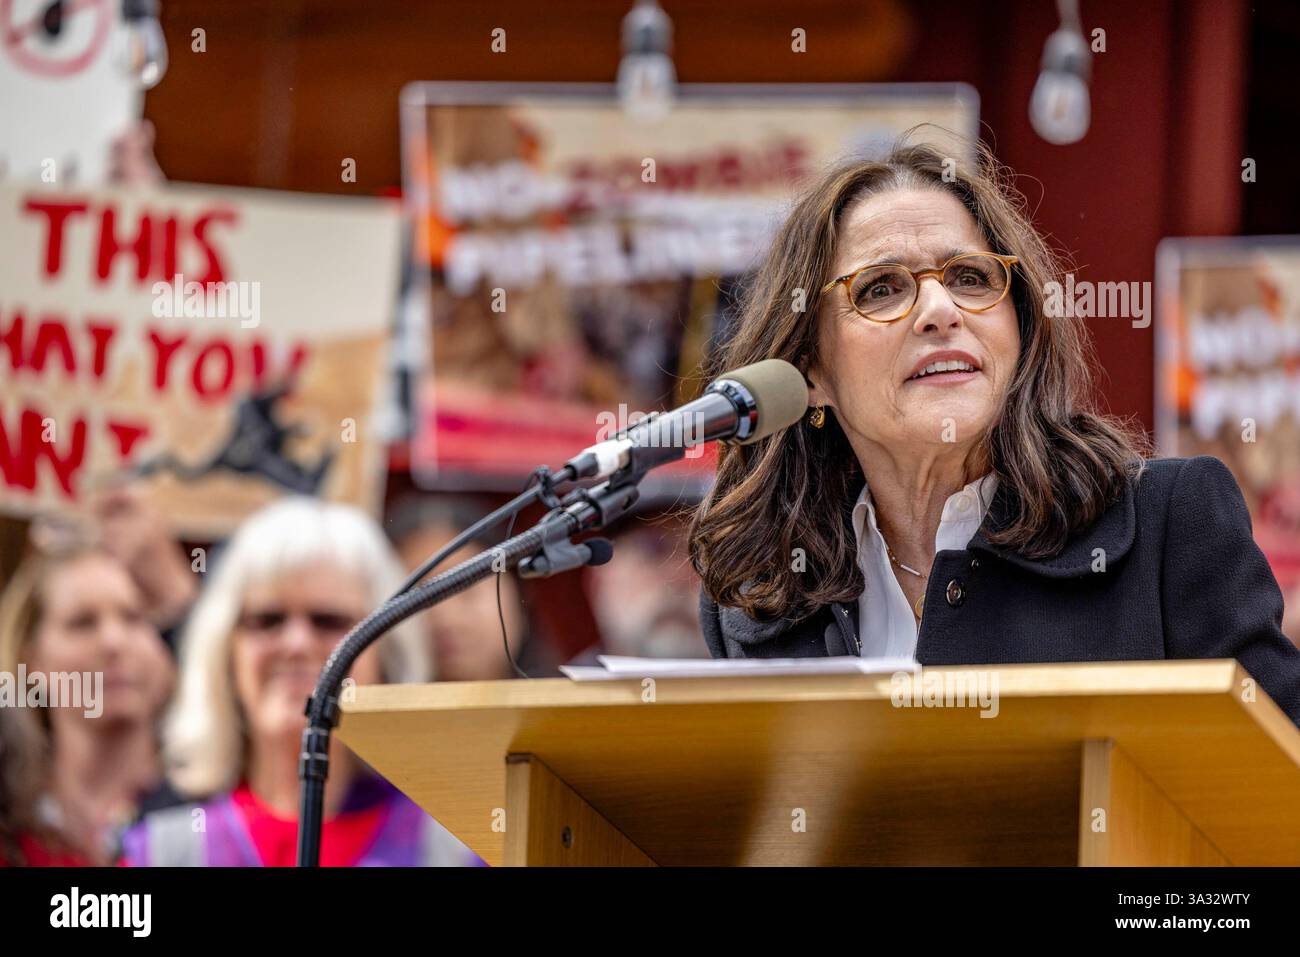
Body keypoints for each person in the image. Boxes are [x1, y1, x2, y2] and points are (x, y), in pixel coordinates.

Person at [690, 136, 1300, 727]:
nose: (940, 311)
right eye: (881, 289)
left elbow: (1277, 783)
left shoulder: (1168, 526)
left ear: (1020, 326)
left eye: (971, 278)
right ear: (810, 373)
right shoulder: (758, 596)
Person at [122, 497, 481, 866]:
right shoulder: (162, 854)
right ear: (225, 653)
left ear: (387, 658)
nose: (296, 644)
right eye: (268, 619)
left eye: (328, 621)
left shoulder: (457, 848)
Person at [0, 542, 175, 866]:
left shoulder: (212, 814)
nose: (114, 641)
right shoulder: (10, 827)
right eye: (82, 622)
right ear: (31, 659)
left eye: (133, 618)